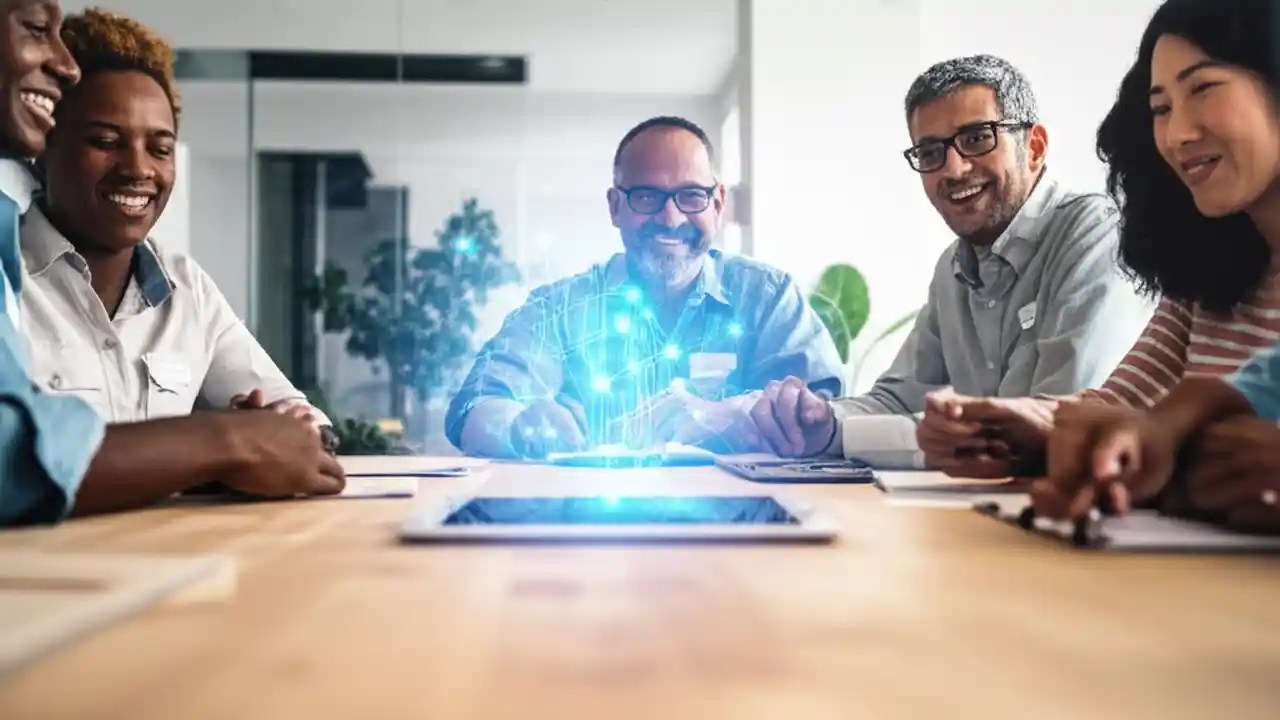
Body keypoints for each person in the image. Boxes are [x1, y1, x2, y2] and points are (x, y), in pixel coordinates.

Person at [0, 5, 343, 527]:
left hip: (162, 569)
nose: (138, 169)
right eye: (105, 142)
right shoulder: (10, 273)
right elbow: (17, 460)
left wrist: (266, 440)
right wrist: (223, 446)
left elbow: (304, 427)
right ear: (44, 149)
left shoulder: (187, 289)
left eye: (160, 149)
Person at [918, 0, 1280, 481]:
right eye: (1160, 109)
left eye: (1204, 88)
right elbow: (1120, 405)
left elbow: (1154, 434)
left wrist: (1149, 444)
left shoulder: (1085, 227)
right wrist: (1029, 432)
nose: (1176, 134)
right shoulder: (1204, 277)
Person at [748, 55, 1151, 458]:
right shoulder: (953, 268)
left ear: (1035, 147)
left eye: (976, 138)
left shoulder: (1096, 233)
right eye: (930, 153)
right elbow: (896, 400)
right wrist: (820, 419)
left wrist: (845, 437)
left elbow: (1054, 426)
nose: (953, 170)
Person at [447, 116, 843, 458]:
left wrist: (719, 415)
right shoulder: (558, 308)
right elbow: (474, 406)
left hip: (751, 528)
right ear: (615, 206)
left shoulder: (767, 298)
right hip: (589, 531)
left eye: (691, 195)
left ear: (718, 204)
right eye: (647, 196)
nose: (670, 218)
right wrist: (518, 428)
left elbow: (824, 416)